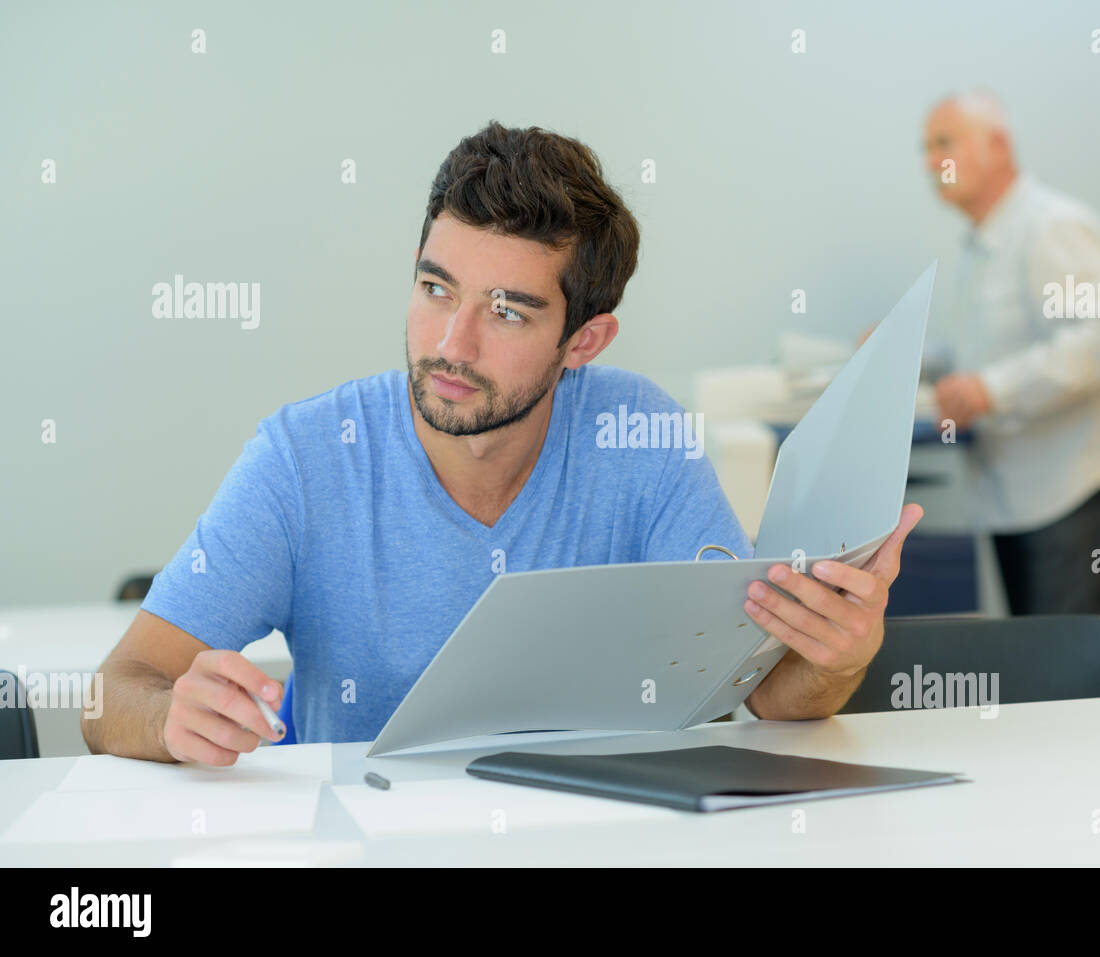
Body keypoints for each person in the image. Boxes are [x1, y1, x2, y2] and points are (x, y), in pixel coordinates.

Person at [83, 121, 923, 764]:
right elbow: (110, 695)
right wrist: (170, 716)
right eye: (435, 288)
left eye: (509, 312)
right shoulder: (304, 459)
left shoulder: (642, 437)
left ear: (584, 340)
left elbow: (769, 697)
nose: (452, 343)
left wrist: (837, 654)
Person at [921, 91, 1100, 615]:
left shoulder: (1053, 225)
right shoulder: (980, 247)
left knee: (1060, 658)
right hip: (1014, 492)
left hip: (1070, 487)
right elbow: (986, 352)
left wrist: (991, 389)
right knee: (1032, 653)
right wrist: (916, 358)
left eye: (944, 143)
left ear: (998, 146)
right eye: (925, 148)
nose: (931, 162)